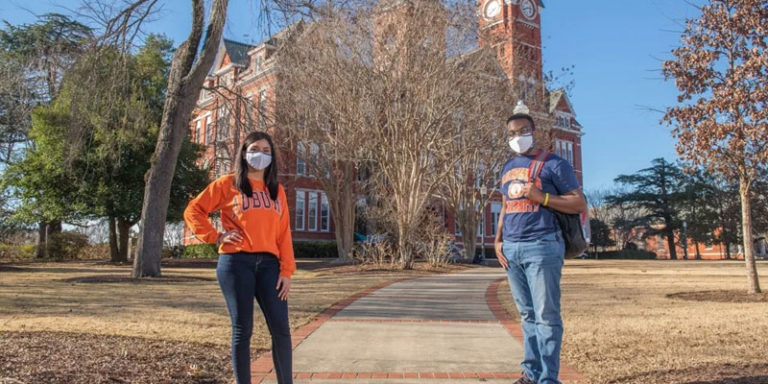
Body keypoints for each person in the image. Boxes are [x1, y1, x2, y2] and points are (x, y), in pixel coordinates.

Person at [184, 131, 296, 384]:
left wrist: (286, 272)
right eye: (255, 149)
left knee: (281, 328)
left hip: (270, 266)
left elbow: (284, 234)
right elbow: (194, 210)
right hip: (236, 264)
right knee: (242, 329)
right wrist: (215, 236)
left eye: (267, 151)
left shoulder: (276, 192)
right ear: (244, 153)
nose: (261, 155)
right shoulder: (228, 183)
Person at [493, 103, 586, 384]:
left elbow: (579, 203)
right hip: (512, 249)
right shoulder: (508, 166)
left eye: (523, 131)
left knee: (546, 316)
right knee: (527, 315)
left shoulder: (554, 164)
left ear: (534, 132)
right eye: (512, 133)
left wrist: (542, 197)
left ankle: (548, 379)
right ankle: (530, 375)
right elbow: (506, 205)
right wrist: (498, 241)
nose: (517, 136)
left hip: (542, 245)